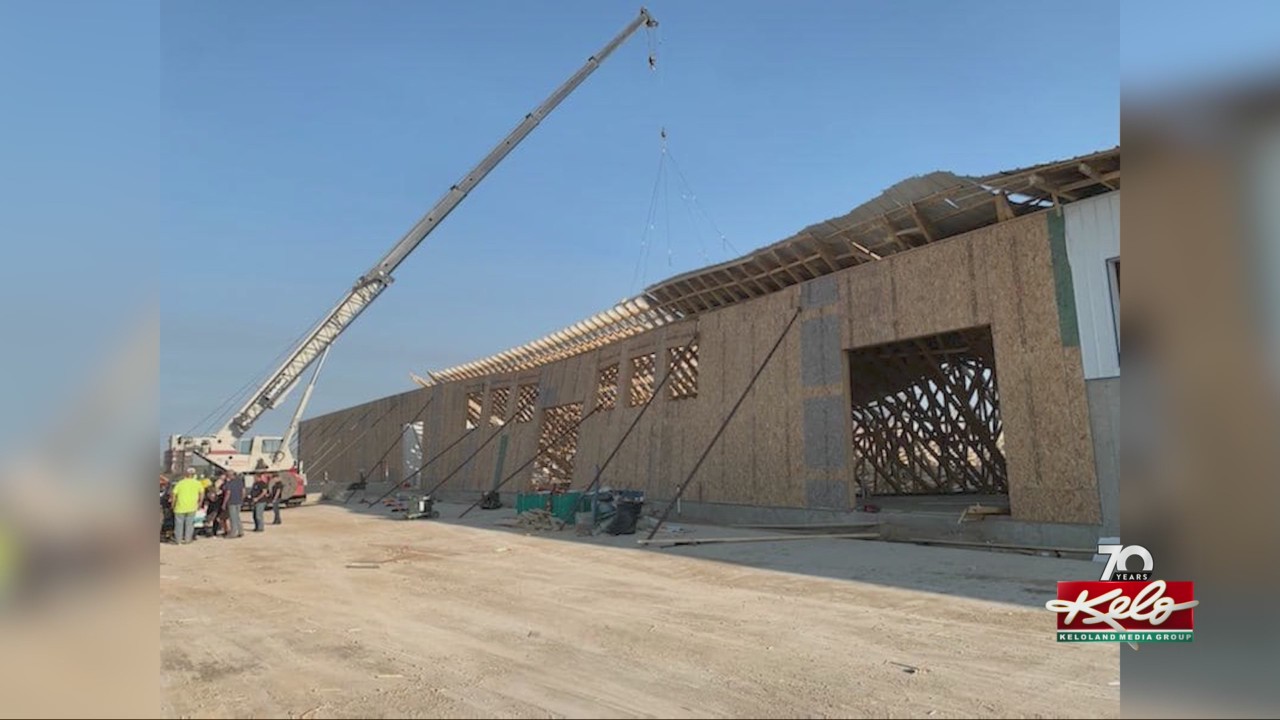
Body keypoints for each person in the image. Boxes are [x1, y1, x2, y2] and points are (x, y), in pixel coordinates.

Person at [170, 468, 204, 545]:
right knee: (189, 524)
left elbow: (174, 494)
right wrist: (200, 503)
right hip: (192, 506)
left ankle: (178, 540)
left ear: (185, 474)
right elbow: (201, 493)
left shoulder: (180, 483)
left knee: (179, 524)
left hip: (180, 506)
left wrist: (173, 504)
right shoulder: (198, 483)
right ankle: (187, 539)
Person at [223, 472, 245, 538]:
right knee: (237, 517)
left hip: (231, 502)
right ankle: (241, 531)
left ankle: (233, 533)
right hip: (238, 501)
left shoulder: (229, 483)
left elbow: (228, 493)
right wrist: (241, 499)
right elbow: (243, 491)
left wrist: (224, 503)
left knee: (233, 518)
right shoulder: (240, 482)